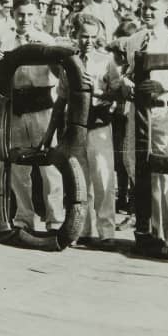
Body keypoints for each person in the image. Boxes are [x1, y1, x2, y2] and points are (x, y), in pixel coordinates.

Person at [120, 0, 168, 243]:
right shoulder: (134, 40)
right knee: (140, 169)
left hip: (164, 109)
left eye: (153, 9)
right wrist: (126, 84)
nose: (147, 13)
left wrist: (165, 86)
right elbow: (129, 73)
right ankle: (150, 232)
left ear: (165, 12)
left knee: (166, 172)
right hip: (139, 112)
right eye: (144, 8)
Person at [0, 0, 65, 231]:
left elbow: (59, 75)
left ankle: (55, 220)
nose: (24, 19)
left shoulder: (46, 40)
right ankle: (23, 219)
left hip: (42, 106)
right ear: (12, 15)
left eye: (29, 15)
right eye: (20, 15)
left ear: (37, 15)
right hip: (16, 107)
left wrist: (50, 55)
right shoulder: (4, 41)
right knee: (19, 167)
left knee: (49, 167)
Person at [53, 14, 121, 246]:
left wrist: (99, 92)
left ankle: (107, 232)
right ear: (76, 35)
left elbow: (119, 93)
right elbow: (61, 98)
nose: (89, 41)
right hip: (75, 126)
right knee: (80, 181)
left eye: (93, 36)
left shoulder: (106, 61)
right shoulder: (68, 62)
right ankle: (84, 230)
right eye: (84, 36)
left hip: (99, 124)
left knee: (103, 178)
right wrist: (51, 131)